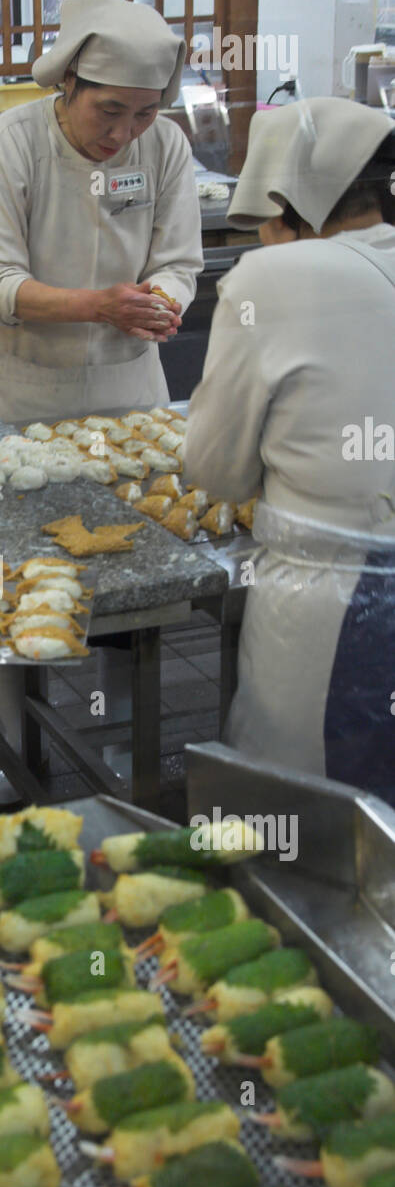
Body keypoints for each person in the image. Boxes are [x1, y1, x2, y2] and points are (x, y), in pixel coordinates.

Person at [184, 97, 395, 804]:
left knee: (315, 814)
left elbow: (214, 469)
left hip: (336, 602)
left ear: (286, 205)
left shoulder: (270, 280)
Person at [0, 0, 203, 421]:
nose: (123, 133)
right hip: (20, 391)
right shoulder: (11, 142)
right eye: (109, 110)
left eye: (145, 113)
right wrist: (98, 307)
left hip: (130, 387)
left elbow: (178, 263)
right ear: (70, 79)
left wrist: (158, 302)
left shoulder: (166, 145)